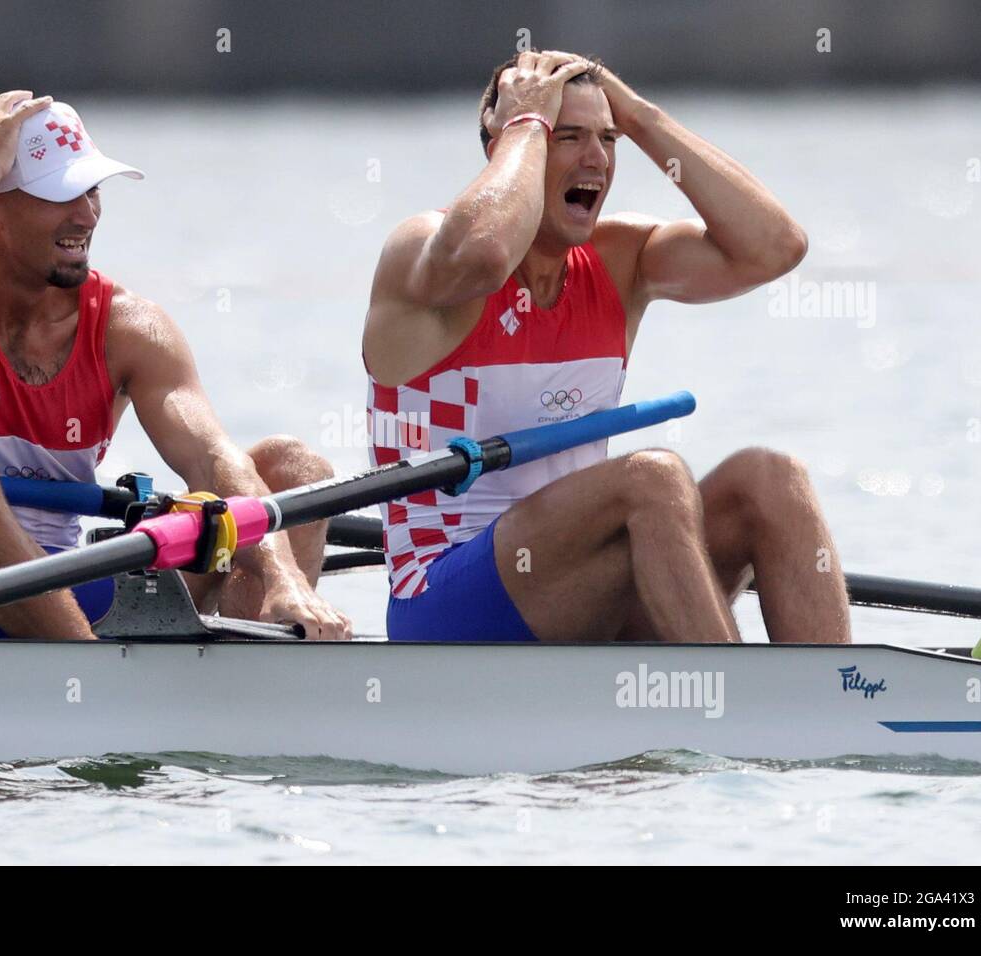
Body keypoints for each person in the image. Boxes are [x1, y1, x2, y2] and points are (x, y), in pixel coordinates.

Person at [0, 91, 351, 640]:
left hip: (66, 593)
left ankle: (239, 697)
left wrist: (281, 574)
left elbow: (213, 456)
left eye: (92, 188)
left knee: (292, 475)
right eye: (62, 193)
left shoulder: (127, 329)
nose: (88, 212)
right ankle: (90, 681)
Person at [362, 52, 850, 644]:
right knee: (653, 478)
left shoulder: (621, 260)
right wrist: (523, 123)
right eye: (568, 136)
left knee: (770, 478)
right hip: (441, 602)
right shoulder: (429, 253)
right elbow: (486, 256)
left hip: (578, 588)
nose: (596, 158)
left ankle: (838, 701)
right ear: (511, 143)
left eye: (607, 137)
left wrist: (639, 115)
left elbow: (775, 248)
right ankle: (731, 702)